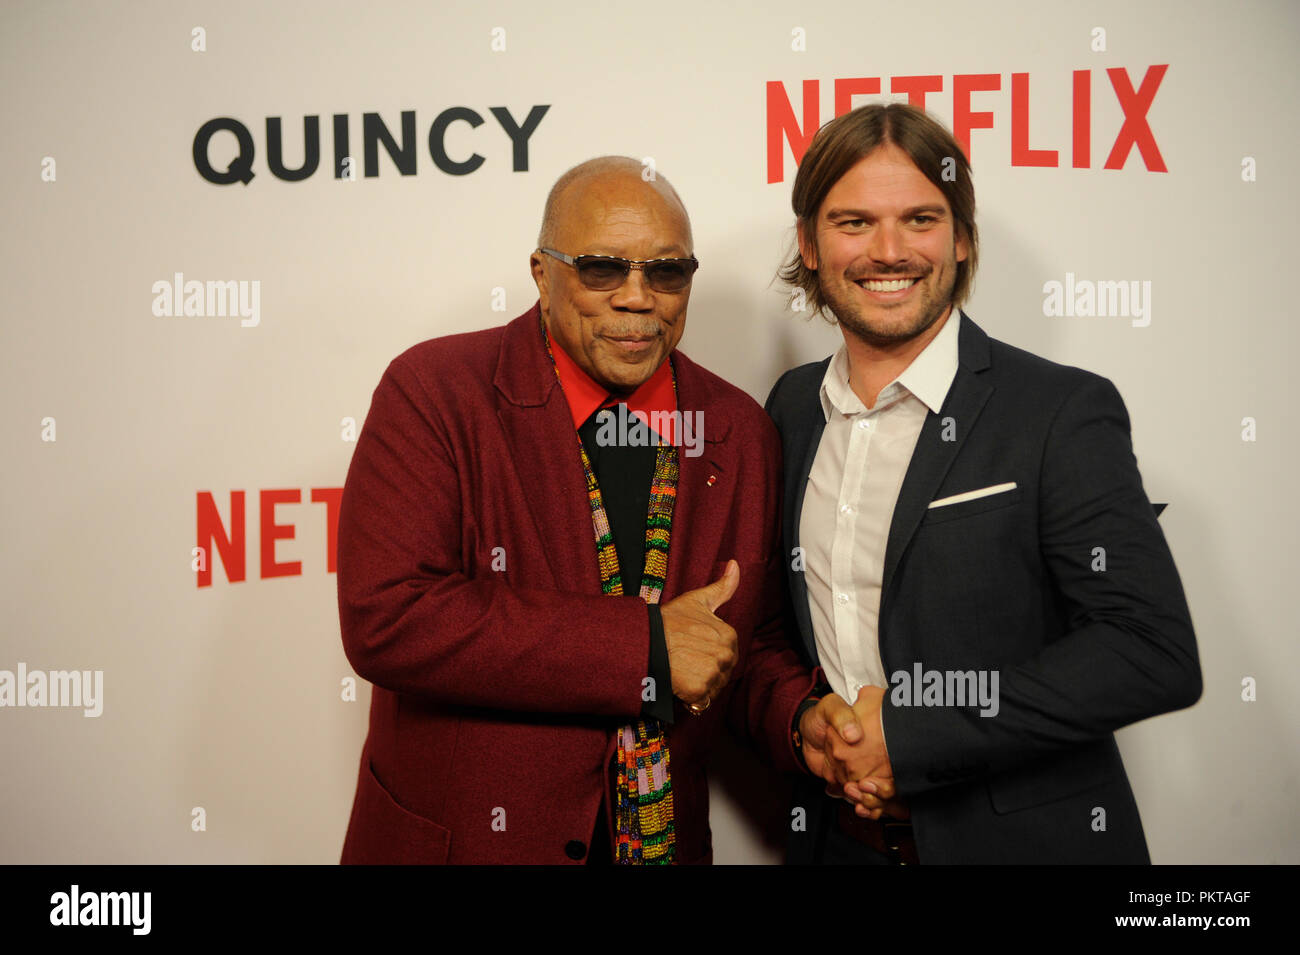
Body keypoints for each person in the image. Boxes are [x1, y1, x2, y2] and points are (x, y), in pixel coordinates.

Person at [336, 156, 816, 865]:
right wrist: (647, 647)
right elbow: (390, 615)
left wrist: (809, 726)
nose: (637, 297)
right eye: (600, 270)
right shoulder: (435, 392)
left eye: (666, 272)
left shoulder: (738, 429)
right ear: (541, 272)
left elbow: (743, 651)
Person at [769, 104, 1202, 864]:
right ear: (809, 243)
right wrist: (806, 717)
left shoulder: (1059, 410)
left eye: (921, 219)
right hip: (843, 845)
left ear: (963, 238)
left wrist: (909, 732)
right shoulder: (789, 407)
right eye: (854, 222)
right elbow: (777, 624)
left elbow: (1147, 650)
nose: (890, 250)